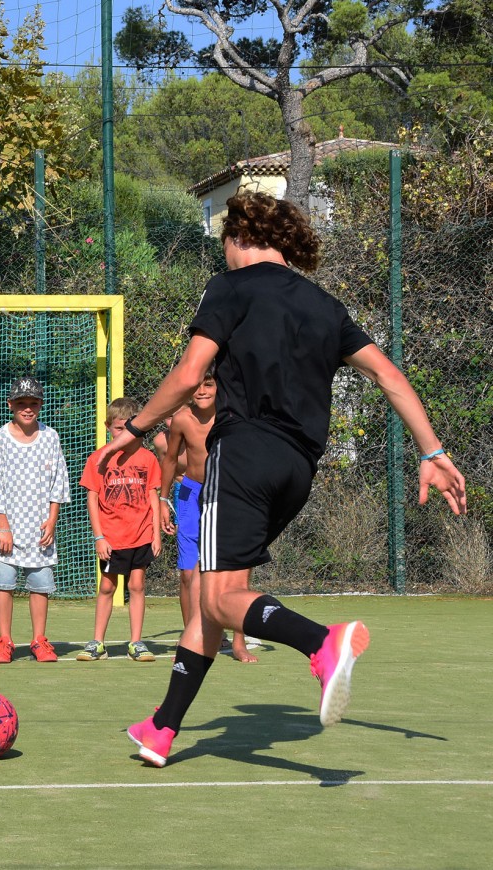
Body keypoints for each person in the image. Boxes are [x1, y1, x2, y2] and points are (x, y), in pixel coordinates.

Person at [96, 193, 466, 767]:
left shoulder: (229, 288)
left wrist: (138, 428)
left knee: (216, 601)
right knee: (219, 602)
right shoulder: (325, 307)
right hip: (297, 470)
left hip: (242, 456)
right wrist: (432, 450)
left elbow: (190, 372)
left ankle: (322, 642)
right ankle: (162, 727)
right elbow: (389, 374)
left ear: (238, 237)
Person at [160, 371, 257, 664]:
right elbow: (169, 459)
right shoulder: (182, 420)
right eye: (196, 385)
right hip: (190, 495)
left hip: (228, 494)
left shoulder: (234, 414)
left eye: (209, 384)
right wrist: (164, 499)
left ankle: (238, 642)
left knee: (236, 572)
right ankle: (193, 639)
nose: (201, 391)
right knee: (189, 574)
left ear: (219, 387)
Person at [0, 376, 71, 663]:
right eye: (22, 403)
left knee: (41, 585)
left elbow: (59, 482)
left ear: (41, 405)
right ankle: (5, 641)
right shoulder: (0, 438)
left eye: (33, 403)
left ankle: (39, 641)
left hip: (40, 529)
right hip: (5, 529)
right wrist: (3, 527)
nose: (28, 408)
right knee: (4, 583)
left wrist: (52, 520)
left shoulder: (51, 437)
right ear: (11, 405)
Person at [77, 397, 162, 663]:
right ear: (107, 427)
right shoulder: (99, 458)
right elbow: (92, 498)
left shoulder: (148, 459)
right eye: (118, 428)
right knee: (106, 587)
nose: (123, 433)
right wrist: (99, 536)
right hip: (112, 538)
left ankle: (136, 643)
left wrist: (156, 533)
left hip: (142, 534)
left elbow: (152, 496)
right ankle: (97, 642)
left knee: (137, 585)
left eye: (129, 428)